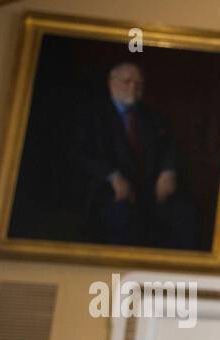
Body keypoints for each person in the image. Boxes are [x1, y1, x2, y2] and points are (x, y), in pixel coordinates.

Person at [75, 61, 196, 248]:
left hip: (150, 189)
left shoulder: (152, 116)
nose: (133, 87)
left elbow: (170, 147)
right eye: (127, 82)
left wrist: (168, 171)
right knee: (124, 220)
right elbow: (83, 154)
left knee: (184, 215)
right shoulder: (92, 114)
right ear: (111, 83)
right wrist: (113, 176)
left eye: (139, 84)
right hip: (108, 188)